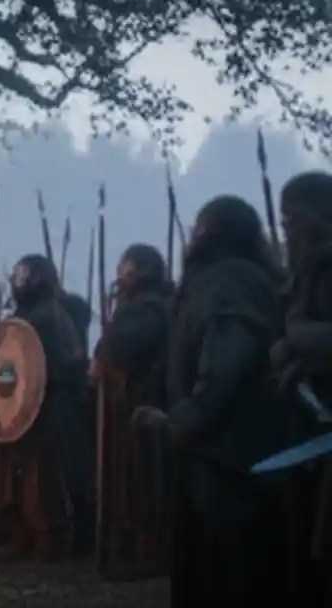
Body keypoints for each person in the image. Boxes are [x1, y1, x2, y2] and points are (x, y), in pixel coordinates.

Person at [132, 195, 288, 606]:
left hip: (226, 463)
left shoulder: (227, 282)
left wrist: (181, 421)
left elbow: (227, 365)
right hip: (241, 458)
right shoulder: (252, 278)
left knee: (224, 580)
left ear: (207, 234)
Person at [91, 244, 175, 578]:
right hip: (135, 400)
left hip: (141, 400)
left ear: (141, 271)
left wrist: (106, 351)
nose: (119, 275)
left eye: (125, 268)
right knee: (132, 476)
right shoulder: (145, 305)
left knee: (140, 477)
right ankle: (133, 544)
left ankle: (148, 549)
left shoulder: (148, 308)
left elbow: (121, 349)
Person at [0, 254, 81, 560]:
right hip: (20, 404)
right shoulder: (25, 315)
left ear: (37, 278)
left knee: (42, 474)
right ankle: (24, 534)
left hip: (48, 404)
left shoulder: (51, 315)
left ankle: (48, 537)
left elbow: (63, 363)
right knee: (18, 472)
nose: (15, 281)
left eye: (21, 275)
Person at [269, 172, 332, 604]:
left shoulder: (326, 267)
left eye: (290, 222)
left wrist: (293, 343)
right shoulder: (310, 271)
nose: (286, 233)